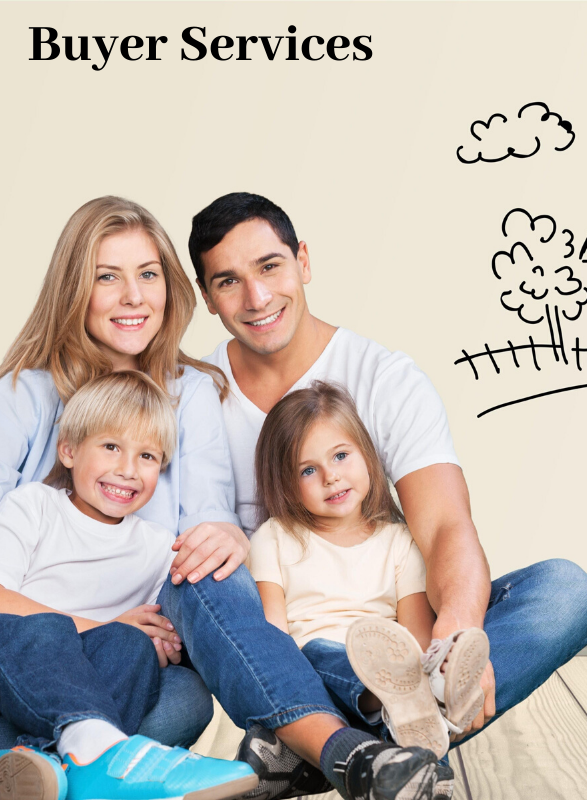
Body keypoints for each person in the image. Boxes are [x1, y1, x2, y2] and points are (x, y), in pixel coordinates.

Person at [187, 193, 587, 784]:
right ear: (207, 297)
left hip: (386, 630)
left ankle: (319, 747)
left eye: (270, 266)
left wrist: (457, 637)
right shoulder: (194, 393)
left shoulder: (385, 379)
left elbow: (442, 526)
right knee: (203, 570)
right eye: (228, 281)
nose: (256, 298)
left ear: (303, 261)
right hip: (272, 638)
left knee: (567, 591)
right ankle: (371, 738)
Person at [0, 195, 248, 749]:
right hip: (24, 638)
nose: (133, 296)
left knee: (184, 698)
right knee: (43, 650)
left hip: (120, 648)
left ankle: (42, 764)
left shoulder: (192, 391)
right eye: (107, 276)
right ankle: (75, 762)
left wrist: (230, 532)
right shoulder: (22, 396)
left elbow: (205, 526)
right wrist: (95, 627)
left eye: (148, 274)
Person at [0, 371, 257, 800]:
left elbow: (165, 638)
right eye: (111, 447)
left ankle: (38, 767)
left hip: (95, 680)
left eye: (148, 457)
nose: (127, 470)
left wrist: (163, 645)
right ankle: (88, 756)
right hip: (17, 670)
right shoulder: (34, 505)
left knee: (140, 652)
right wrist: (97, 625)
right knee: (44, 629)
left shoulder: (158, 547)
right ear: (68, 449)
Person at [250, 381, 490, 781]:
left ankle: (413, 721)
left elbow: (415, 634)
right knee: (322, 653)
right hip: (315, 675)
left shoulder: (398, 541)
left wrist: (428, 661)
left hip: (396, 666)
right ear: (288, 486)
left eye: (341, 456)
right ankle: (410, 710)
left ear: (367, 457)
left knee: (413, 671)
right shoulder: (274, 538)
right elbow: (274, 635)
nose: (331, 477)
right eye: (309, 470)